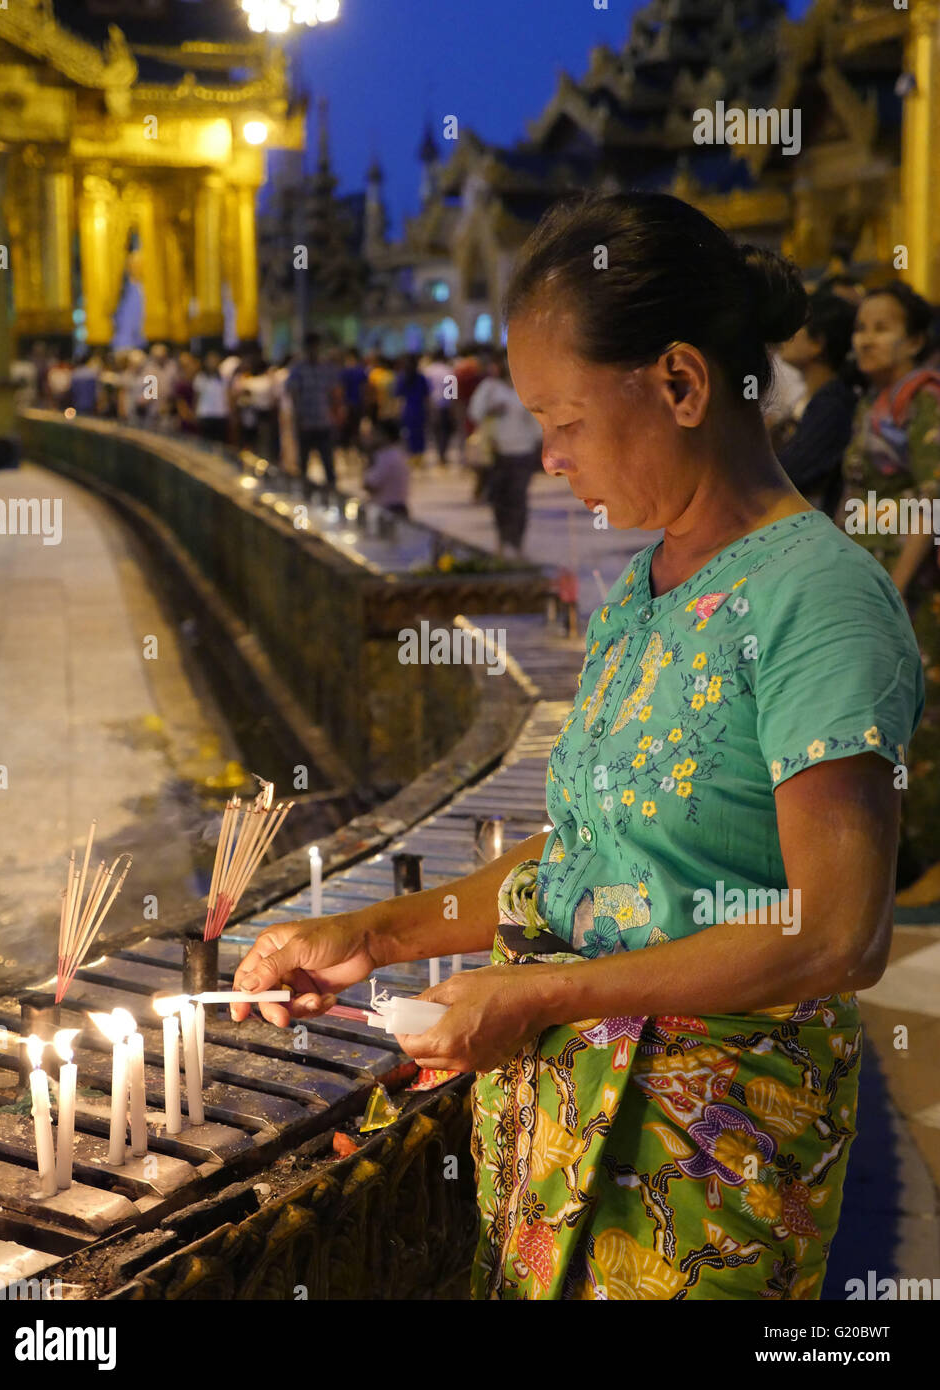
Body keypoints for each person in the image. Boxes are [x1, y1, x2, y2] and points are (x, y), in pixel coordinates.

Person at [229, 190, 922, 1302]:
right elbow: (590, 856)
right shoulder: (643, 590)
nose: (548, 457)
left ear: (682, 384)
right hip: (557, 1141)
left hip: (704, 1177)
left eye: (565, 419)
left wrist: (542, 997)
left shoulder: (818, 600)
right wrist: (372, 933)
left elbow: (837, 930)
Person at [836, 282, 940, 902]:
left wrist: (895, 588)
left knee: (921, 724)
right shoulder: (873, 402)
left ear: (916, 339)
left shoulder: (922, 400)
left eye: (882, 327)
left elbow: (932, 500)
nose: (866, 339)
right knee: (881, 720)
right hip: (871, 591)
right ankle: (894, 869)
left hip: (915, 598)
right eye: (861, 327)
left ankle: (931, 869)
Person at [776, 290, 859, 516]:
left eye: (797, 325)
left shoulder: (832, 406)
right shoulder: (816, 399)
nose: (786, 333)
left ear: (818, 343)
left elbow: (788, 476)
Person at [467, 349, 542, 557]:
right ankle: (502, 540)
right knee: (499, 498)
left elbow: (537, 422)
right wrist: (490, 410)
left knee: (518, 498)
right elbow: (474, 413)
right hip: (496, 453)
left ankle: (516, 543)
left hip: (523, 451)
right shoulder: (489, 388)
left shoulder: (526, 388)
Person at [287, 332, 342, 491]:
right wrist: (297, 419)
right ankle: (303, 494)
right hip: (306, 423)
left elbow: (334, 393)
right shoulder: (298, 368)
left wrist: (335, 415)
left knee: (328, 464)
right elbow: (293, 395)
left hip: (323, 422)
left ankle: (332, 493)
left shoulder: (326, 368)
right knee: (303, 464)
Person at [362, 417, 411, 519]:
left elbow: (370, 485)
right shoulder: (400, 453)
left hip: (387, 511)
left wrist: (368, 465)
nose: (372, 437)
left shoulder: (384, 457)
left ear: (385, 435)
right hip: (400, 507)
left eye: (376, 433)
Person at [394, 352, 430, 464]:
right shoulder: (421, 378)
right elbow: (426, 396)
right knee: (420, 433)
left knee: (408, 434)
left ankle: (411, 457)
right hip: (419, 408)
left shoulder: (401, 377)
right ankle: (419, 457)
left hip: (407, 409)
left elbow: (398, 396)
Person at [421, 349, 456, 464]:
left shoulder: (428, 371)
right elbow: (452, 391)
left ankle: (438, 452)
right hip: (445, 404)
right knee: (445, 430)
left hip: (432, 404)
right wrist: (452, 406)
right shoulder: (448, 370)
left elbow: (425, 390)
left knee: (435, 430)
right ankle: (442, 453)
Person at [192, 350, 231, 443]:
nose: (212, 363)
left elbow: (227, 396)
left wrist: (230, 412)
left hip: (220, 414)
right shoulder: (200, 377)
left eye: (214, 361)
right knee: (205, 443)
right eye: (210, 361)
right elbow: (196, 397)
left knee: (220, 443)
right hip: (205, 415)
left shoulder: (223, 378)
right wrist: (194, 413)